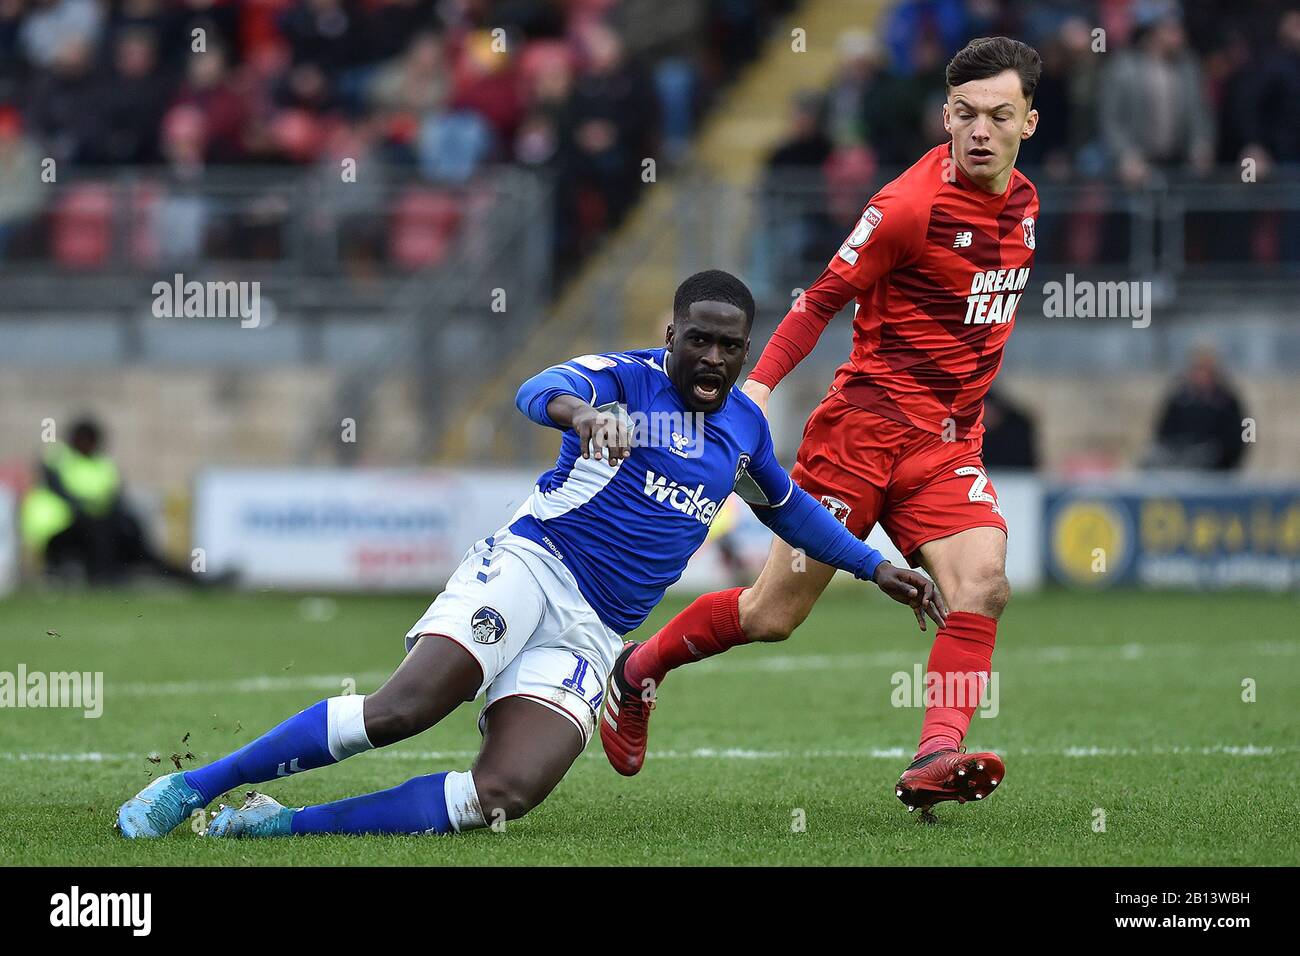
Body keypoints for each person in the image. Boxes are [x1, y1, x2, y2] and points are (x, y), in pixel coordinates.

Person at [116, 270, 943, 840]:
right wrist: (578, 418)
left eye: (732, 347)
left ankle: (278, 825)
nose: (715, 360)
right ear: (672, 335)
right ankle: (193, 786)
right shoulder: (625, 378)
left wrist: (876, 566)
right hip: (531, 569)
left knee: (502, 796)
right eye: (701, 341)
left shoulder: (745, 430)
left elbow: (791, 510)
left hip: (593, 633)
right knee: (403, 710)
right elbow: (536, 387)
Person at [601, 37, 1043, 816]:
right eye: (965, 114)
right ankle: (636, 669)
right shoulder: (905, 208)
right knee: (773, 615)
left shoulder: (1026, 206)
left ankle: (936, 754)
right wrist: (758, 389)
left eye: (998, 116)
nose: (979, 130)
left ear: (1028, 123)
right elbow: (817, 302)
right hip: (861, 434)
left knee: (985, 585)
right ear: (945, 115)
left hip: (945, 446)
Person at [20, 417, 211, 586]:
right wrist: (94, 508)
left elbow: (116, 499)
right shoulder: (55, 455)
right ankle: (104, 576)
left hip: (95, 532)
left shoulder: (104, 464)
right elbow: (62, 493)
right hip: (54, 533)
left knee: (130, 527)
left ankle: (189, 577)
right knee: (96, 525)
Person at [1147, 347, 1248, 471]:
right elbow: (1163, 433)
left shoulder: (1227, 402)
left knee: (1199, 457)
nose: (1201, 375)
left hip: (1213, 464)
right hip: (1178, 457)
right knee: (1153, 457)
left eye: (1206, 370)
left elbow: (1235, 441)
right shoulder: (1178, 400)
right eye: (1198, 370)